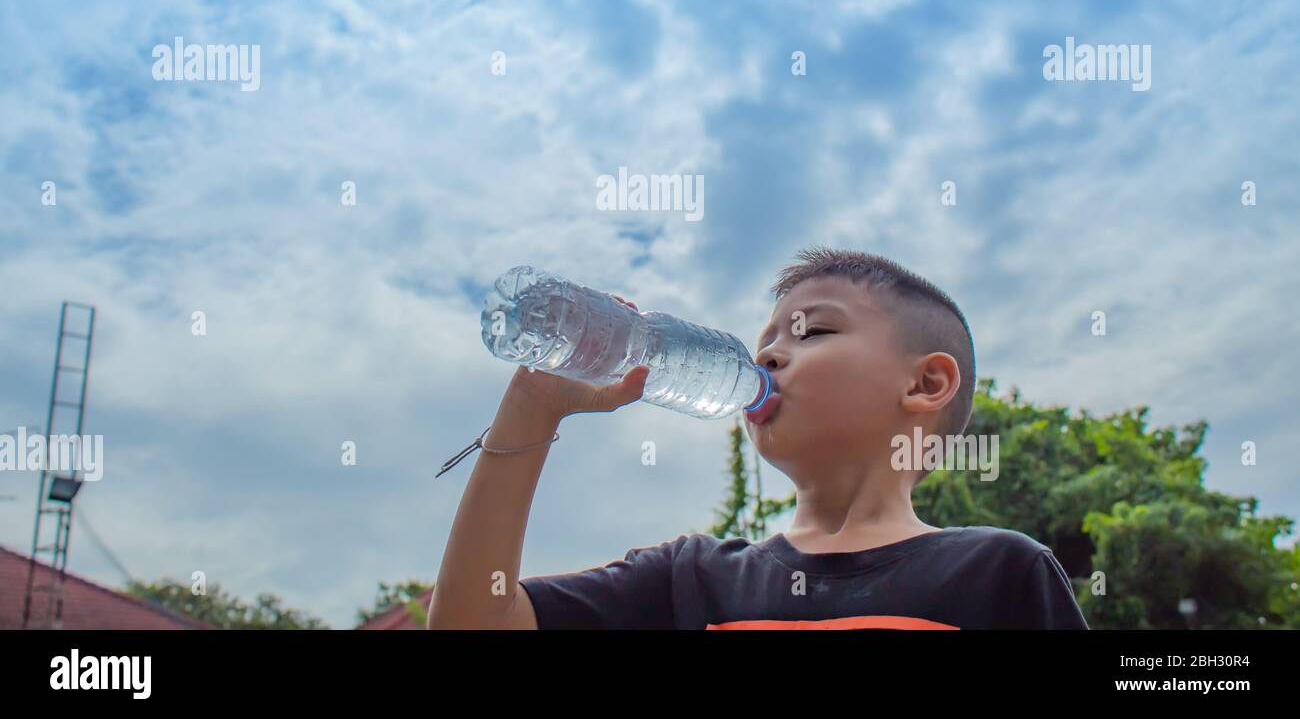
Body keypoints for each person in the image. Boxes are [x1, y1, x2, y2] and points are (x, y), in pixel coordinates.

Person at [428, 246, 1089, 629]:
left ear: (925, 385)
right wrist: (532, 408)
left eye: (812, 332)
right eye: (764, 340)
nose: (766, 357)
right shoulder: (689, 579)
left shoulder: (999, 572)